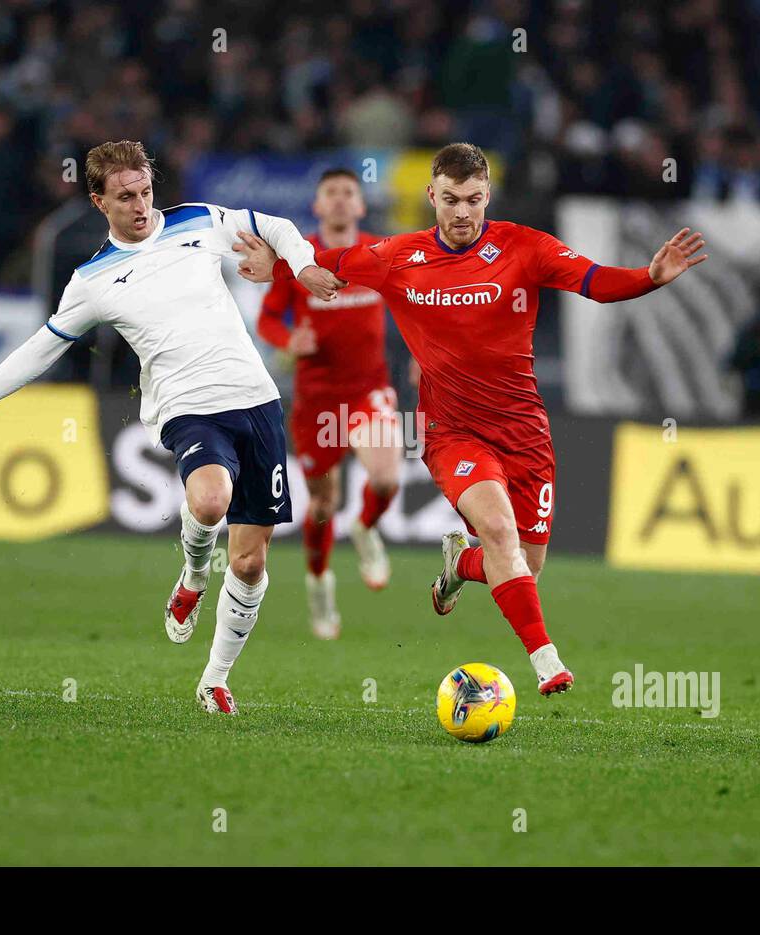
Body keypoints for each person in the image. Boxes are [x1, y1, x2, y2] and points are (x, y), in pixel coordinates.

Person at [236, 142, 707, 697]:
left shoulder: (525, 248)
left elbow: (595, 281)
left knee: (524, 567)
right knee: (500, 529)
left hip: (526, 435)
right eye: (452, 200)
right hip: (453, 433)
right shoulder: (397, 256)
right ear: (431, 196)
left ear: (488, 196)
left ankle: (459, 566)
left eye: (474, 200)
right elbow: (323, 264)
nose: (463, 212)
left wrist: (648, 276)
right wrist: (279, 263)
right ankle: (546, 661)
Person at [0, 140, 342, 715]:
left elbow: (274, 223)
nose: (141, 206)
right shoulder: (92, 280)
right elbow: (39, 351)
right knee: (211, 500)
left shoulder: (196, 220)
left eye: (144, 191)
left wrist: (302, 262)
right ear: (99, 201)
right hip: (186, 406)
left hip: (256, 399)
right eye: (125, 197)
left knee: (248, 563)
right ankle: (193, 572)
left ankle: (214, 678)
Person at [255, 168, 400, 639]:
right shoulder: (301, 258)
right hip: (316, 399)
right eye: (331, 194)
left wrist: (426, 353)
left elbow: (415, 301)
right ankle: (320, 582)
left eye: (348, 193)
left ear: (361, 206)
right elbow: (269, 317)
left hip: (367, 388)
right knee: (322, 501)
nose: (340, 200)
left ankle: (365, 528)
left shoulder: (380, 252)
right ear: (317, 207)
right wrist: (287, 340)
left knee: (386, 476)